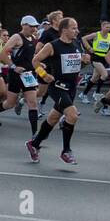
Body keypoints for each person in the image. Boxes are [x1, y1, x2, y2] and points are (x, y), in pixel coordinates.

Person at [25, 17, 87, 164]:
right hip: (57, 87)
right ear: (64, 29)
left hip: (71, 88)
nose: (76, 31)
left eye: (76, 28)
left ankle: (34, 144)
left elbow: (76, 67)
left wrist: (84, 62)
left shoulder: (77, 44)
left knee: (53, 118)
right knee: (72, 115)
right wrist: (43, 74)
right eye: (73, 28)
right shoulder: (53, 46)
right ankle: (66, 151)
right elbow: (35, 61)